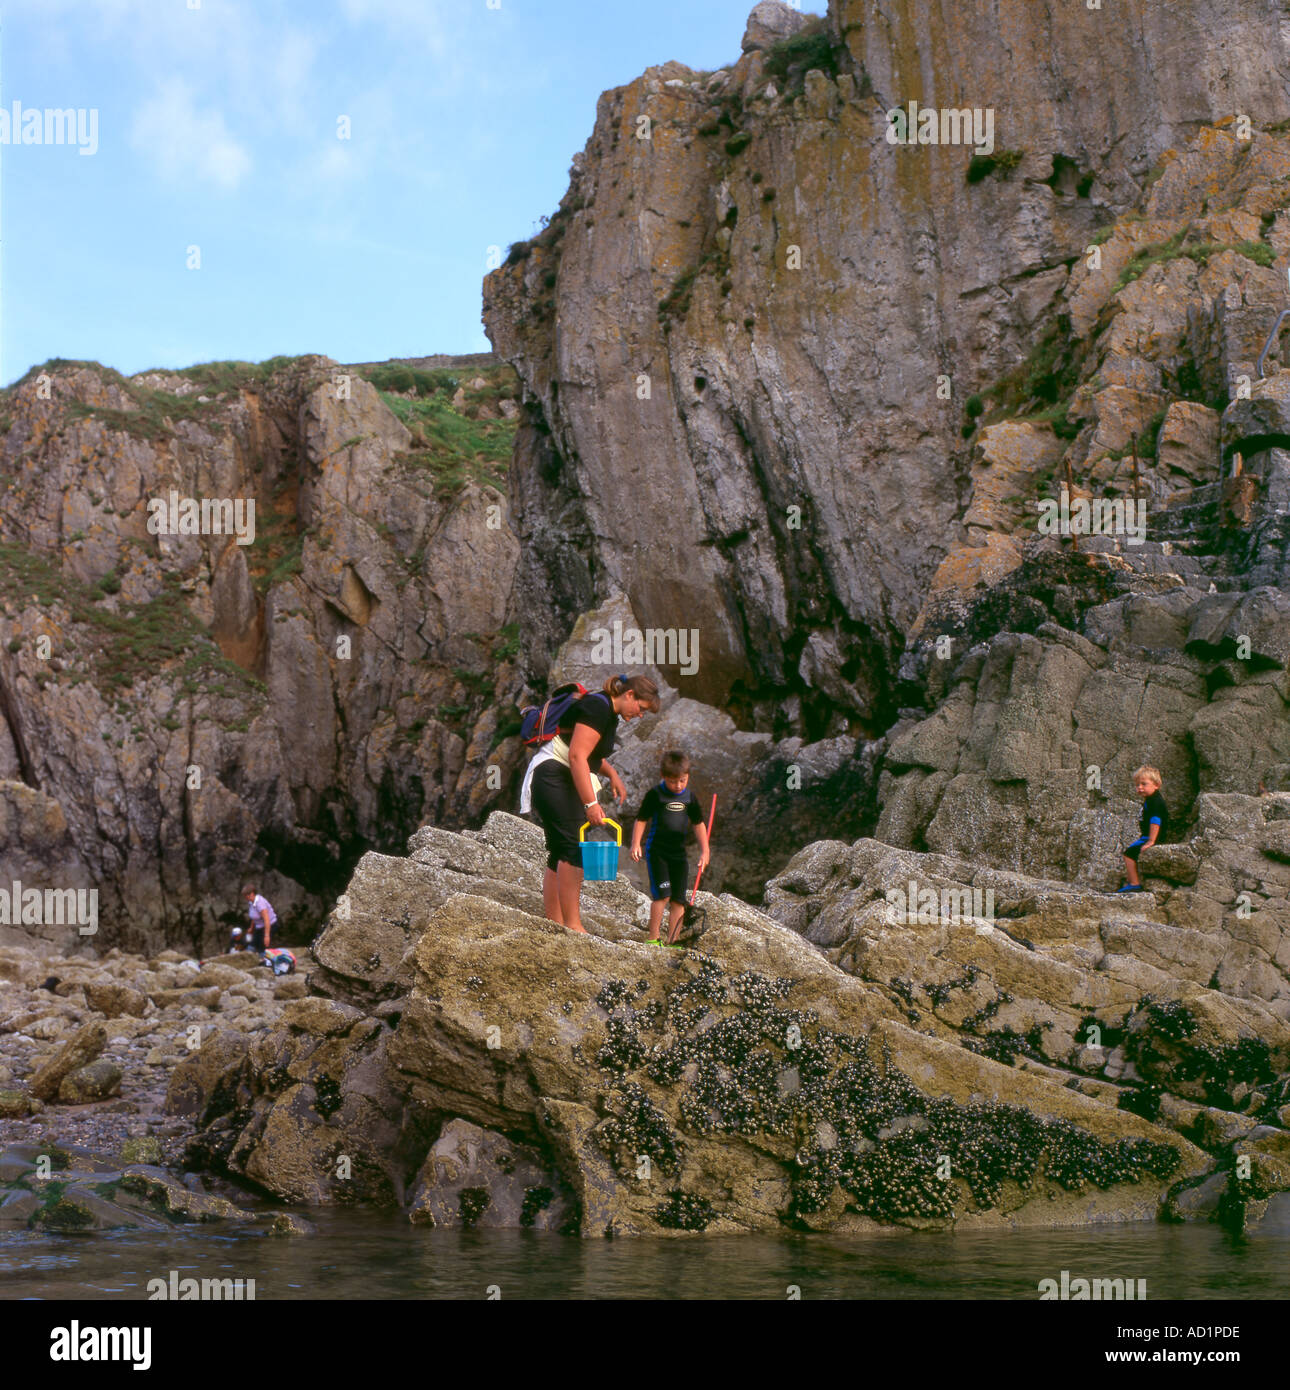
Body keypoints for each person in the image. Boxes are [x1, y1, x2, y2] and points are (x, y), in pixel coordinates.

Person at [523, 674, 659, 932]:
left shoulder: (605, 709)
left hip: (558, 775)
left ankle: (554, 922)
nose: (640, 715)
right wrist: (590, 804)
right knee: (573, 848)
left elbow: (588, 751)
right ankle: (574, 926)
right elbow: (576, 756)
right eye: (641, 709)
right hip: (552, 774)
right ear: (629, 695)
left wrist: (613, 774)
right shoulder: (598, 707)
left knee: (560, 850)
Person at [630, 750, 710, 946]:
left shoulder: (689, 798)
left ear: (687, 776)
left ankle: (672, 941)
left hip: (678, 854)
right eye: (674, 781)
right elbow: (641, 820)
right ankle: (653, 938)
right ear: (664, 777)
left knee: (678, 900)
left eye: (683, 780)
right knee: (662, 896)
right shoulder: (655, 795)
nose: (678, 785)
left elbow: (698, 824)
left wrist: (705, 851)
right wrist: (635, 844)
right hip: (657, 852)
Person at [1117, 766, 1169, 893]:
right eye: (1137, 785)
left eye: (1144, 784)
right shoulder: (1150, 799)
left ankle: (1135, 883)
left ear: (1156, 785)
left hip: (1152, 837)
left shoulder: (1155, 801)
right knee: (1130, 852)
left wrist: (1151, 841)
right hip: (1146, 836)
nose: (1139, 787)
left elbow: (1156, 821)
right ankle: (1130, 880)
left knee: (1129, 854)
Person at [233, 882, 277, 952]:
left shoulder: (260, 903)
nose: (245, 897)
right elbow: (255, 916)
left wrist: (267, 935)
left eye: (246, 895)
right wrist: (251, 928)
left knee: (262, 946)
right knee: (252, 944)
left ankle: (264, 960)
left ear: (252, 893)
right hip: (259, 927)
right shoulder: (251, 902)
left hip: (269, 925)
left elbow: (266, 919)